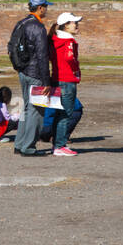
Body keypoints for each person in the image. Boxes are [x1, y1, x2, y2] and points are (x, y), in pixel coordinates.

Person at [9, 0, 54, 157]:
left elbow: (11, 46)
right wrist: (46, 81)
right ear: (40, 7)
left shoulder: (21, 23)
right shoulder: (38, 27)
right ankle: (28, 146)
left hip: (24, 71)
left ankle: (20, 143)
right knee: (36, 110)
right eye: (46, 6)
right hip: (35, 73)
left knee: (26, 109)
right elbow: (42, 56)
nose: (46, 9)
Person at [49, 12, 82, 157]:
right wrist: (76, 69)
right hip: (67, 80)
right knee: (65, 113)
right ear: (66, 25)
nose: (77, 25)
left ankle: (57, 144)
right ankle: (60, 145)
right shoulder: (69, 40)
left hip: (56, 78)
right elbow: (70, 58)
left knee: (59, 113)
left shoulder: (54, 39)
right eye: (74, 22)